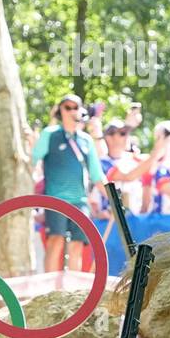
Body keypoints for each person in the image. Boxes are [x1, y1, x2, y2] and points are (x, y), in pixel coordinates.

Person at [32, 94, 107, 271]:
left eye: (75, 107)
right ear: (60, 111)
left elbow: (97, 175)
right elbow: (32, 162)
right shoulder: (49, 135)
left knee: (77, 245)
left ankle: (73, 292)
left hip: (80, 202)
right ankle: (48, 291)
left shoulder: (86, 140)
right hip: (55, 200)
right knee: (55, 241)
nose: (72, 111)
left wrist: (113, 199)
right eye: (67, 107)